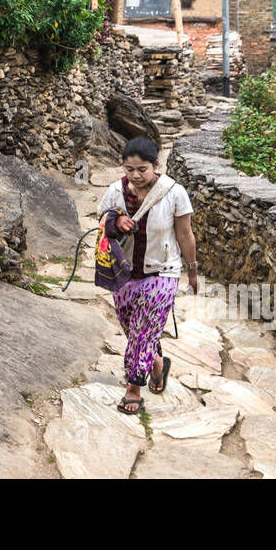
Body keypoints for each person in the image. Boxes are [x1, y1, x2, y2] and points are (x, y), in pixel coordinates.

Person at [96, 135, 199, 414]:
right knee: (133, 330)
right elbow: (101, 219)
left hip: (163, 271)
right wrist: (115, 220)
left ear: (156, 165)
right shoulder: (115, 191)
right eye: (130, 169)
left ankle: (133, 388)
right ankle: (157, 363)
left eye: (142, 169)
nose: (136, 175)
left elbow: (185, 234)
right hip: (124, 272)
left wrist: (192, 271)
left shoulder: (174, 193)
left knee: (142, 331)